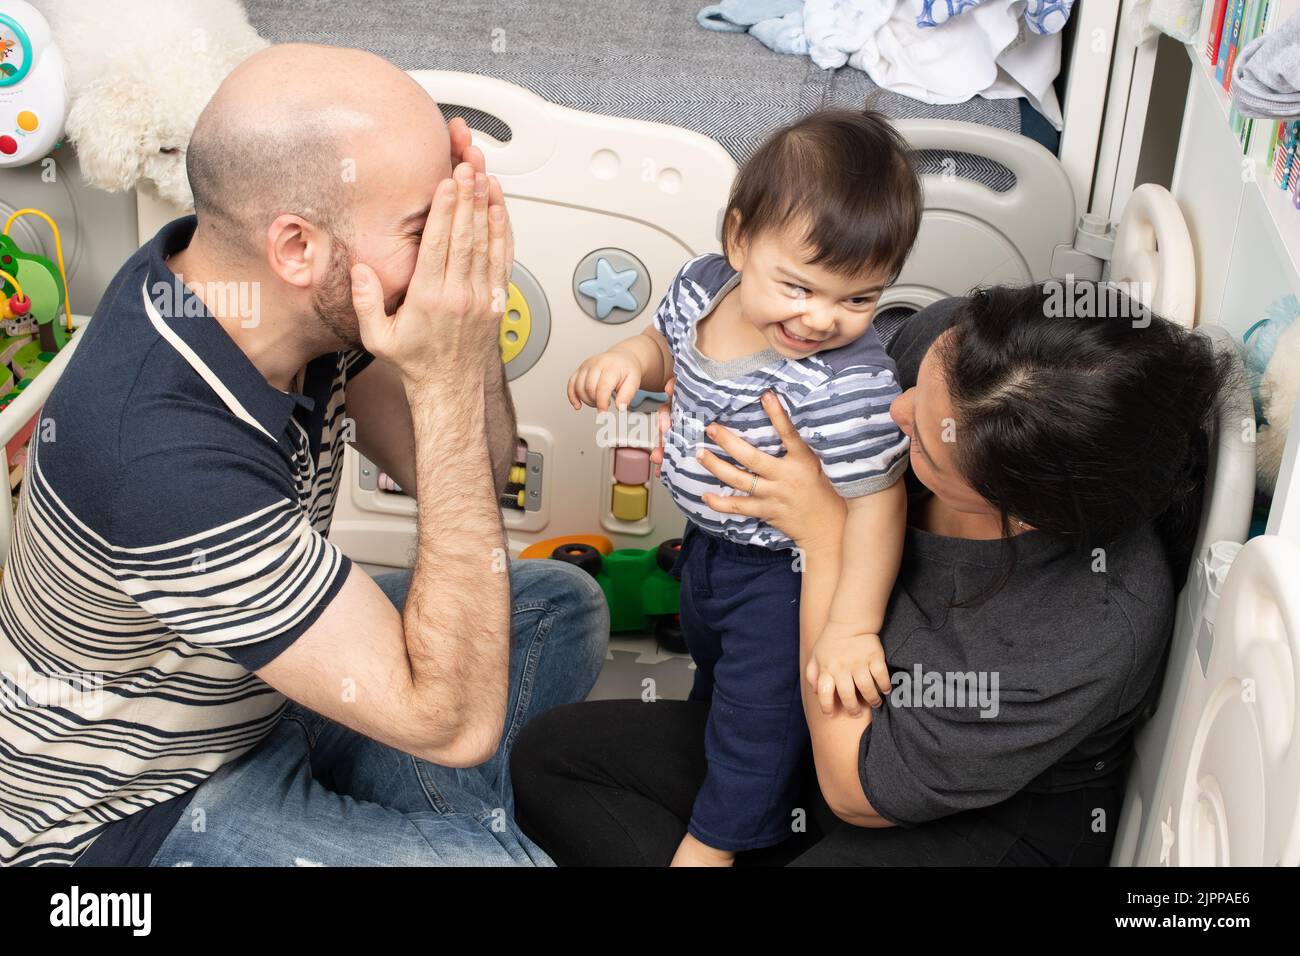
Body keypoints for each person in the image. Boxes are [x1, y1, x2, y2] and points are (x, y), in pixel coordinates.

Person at [0, 43, 607, 867]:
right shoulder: (159, 458)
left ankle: (434, 827)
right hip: (135, 808)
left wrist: (465, 334)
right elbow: (458, 726)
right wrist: (449, 349)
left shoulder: (267, 296)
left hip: (257, 692)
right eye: (426, 232)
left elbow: (461, 466)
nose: (444, 263)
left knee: (557, 606)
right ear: (296, 249)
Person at [512, 282, 1233, 866]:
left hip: (960, 806)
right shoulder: (954, 353)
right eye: (918, 387)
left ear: (1022, 511)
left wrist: (827, 539)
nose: (896, 410)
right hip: (825, 716)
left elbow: (852, 788)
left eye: (921, 441)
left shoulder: (1084, 624)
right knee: (551, 760)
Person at [565, 110, 921, 865]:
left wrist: (852, 626)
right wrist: (633, 358)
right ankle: (731, 801)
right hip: (707, 550)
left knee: (757, 720)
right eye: (798, 286)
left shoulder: (849, 383)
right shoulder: (703, 286)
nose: (822, 318)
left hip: (783, 576)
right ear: (737, 242)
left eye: (859, 299)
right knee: (716, 691)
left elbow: (879, 501)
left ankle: (718, 844)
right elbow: (667, 348)